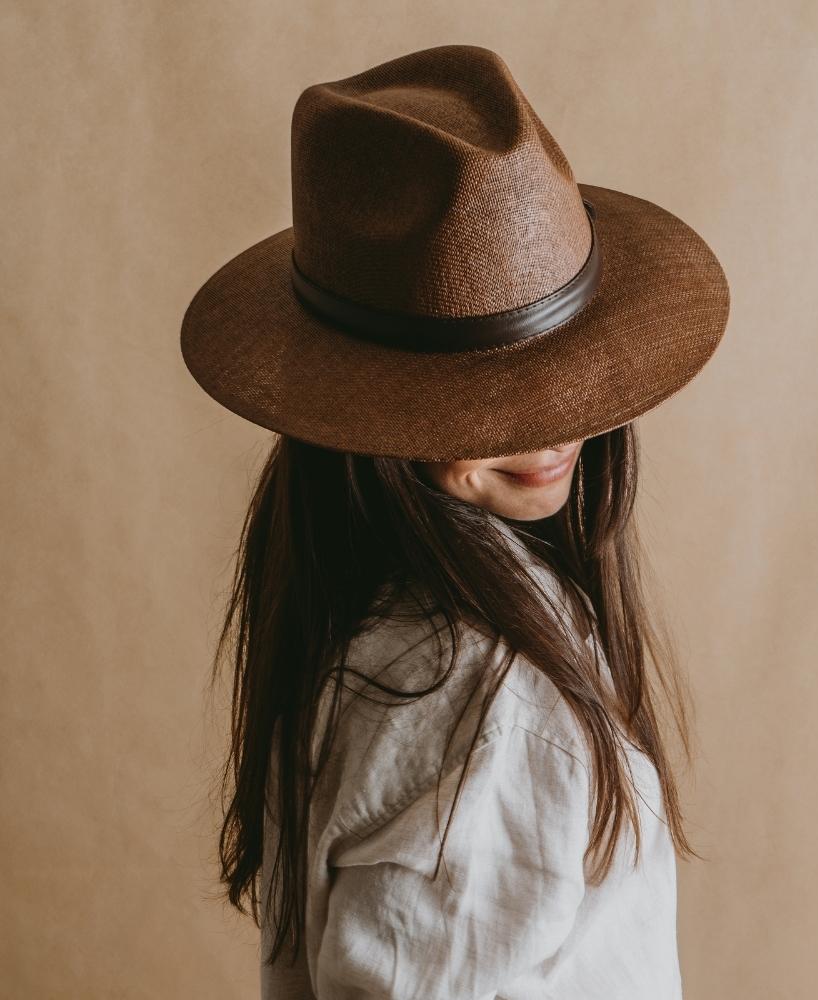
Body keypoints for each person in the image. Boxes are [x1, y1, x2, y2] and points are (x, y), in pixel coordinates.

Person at [180, 44, 730, 1000]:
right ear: (372, 419)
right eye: (482, 398)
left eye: (561, 375)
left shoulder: (369, 618)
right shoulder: (485, 708)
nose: (556, 427)